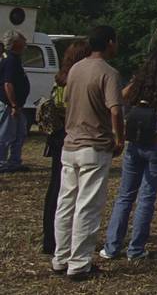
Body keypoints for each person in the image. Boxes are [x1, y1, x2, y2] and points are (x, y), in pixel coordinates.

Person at [52, 25, 124, 282]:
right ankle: (79, 263)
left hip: (70, 144)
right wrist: (120, 138)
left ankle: (60, 258)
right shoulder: (109, 73)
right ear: (109, 43)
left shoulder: (75, 69)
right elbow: (115, 109)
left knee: (66, 204)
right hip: (94, 145)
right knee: (87, 207)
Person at [100, 49, 157, 260]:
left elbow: (118, 100)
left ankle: (112, 246)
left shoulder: (137, 86)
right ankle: (136, 249)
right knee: (146, 197)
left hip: (135, 143)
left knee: (124, 196)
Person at [41, 41, 91, 256]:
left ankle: (49, 238)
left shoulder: (59, 80)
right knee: (67, 193)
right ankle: (61, 239)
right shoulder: (76, 80)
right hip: (71, 136)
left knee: (55, 189)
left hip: (57, 136)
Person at [0, 30, 30, 172]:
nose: (25, 42)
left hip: (17, 105)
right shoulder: (10, 60)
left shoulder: (14, 59)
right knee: (6, 135)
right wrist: (13, 104)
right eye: (23, 39)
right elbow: (8, 84)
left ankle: (14, 162)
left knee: (19, 134)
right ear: (16, 43)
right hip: (9, 105)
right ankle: (2, 163)